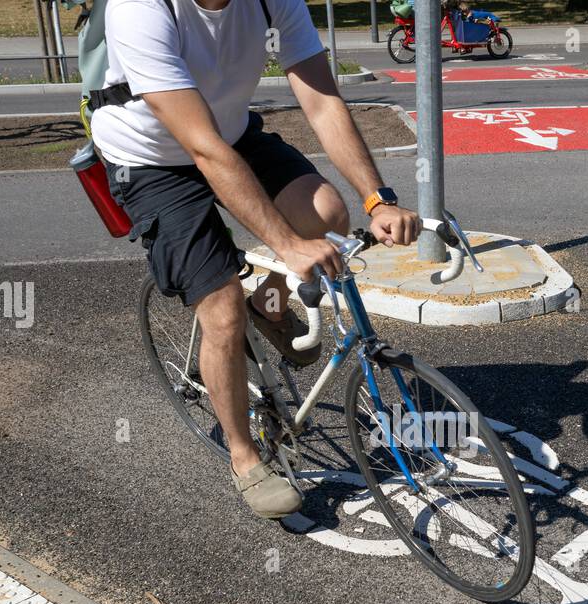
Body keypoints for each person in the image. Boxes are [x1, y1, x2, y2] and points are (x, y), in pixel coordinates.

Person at [92, 0, 421, 519]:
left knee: (326, 212)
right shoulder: (141, 7)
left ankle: (266, 295)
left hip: (229, 133)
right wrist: (288, 246)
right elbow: (202, 149)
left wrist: (377, 198)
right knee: (220, 307)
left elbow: (322, 102)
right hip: (151, 158)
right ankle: (245, 458)